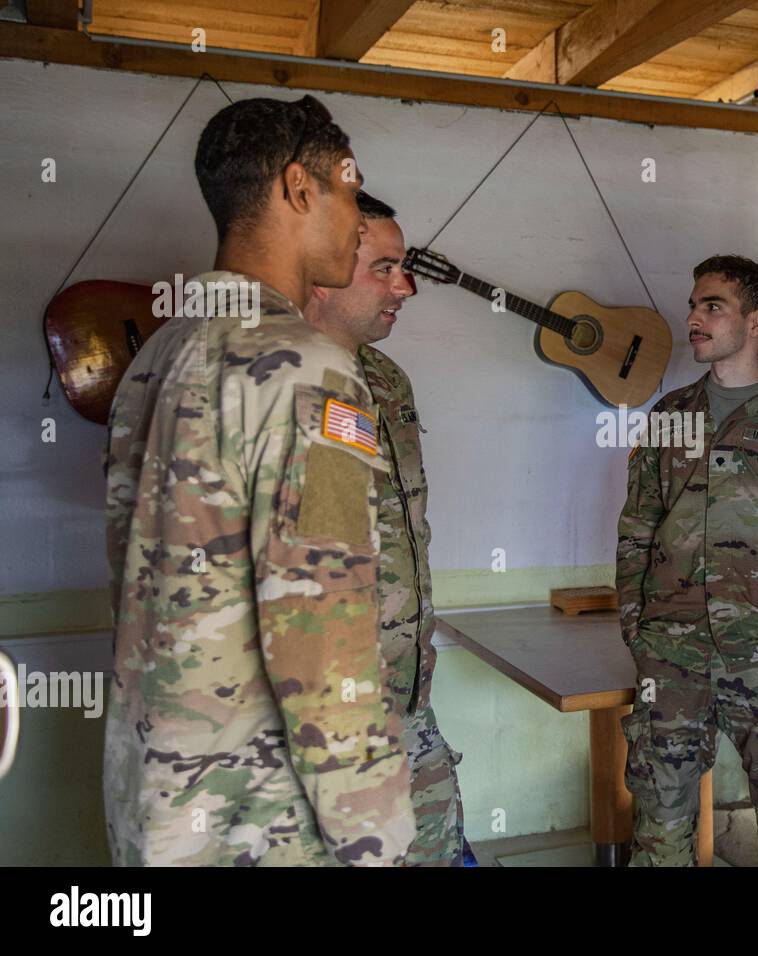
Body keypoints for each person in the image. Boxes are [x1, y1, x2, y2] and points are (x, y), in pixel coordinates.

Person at [103, 95, 416, 865]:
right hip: (265, 817)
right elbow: (323, 628)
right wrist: (375, 831)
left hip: (160, 796)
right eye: (347, 189)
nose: (353, 215)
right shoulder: (310, 369)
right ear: (298, 189)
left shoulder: (160, 354)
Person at [615, 254, 758, 866]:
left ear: (756, 320)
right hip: (670, 657)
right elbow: (638, 526)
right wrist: (637, 629)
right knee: (658, 833)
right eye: (694, 304)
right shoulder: (670, 416)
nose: (693, 317)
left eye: (711, 306)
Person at [302, 191, 465, 867]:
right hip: (319, 721)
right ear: (322, 270)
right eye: (385, 268)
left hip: (405, 695)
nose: (407, 287)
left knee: (439, 846)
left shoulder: (386, 382)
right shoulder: (274, 382)